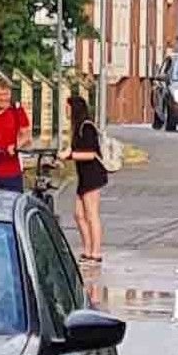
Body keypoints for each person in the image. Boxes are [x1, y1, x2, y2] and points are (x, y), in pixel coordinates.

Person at [66, 92, 108, 263]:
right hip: (83, 176)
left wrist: (70, 155)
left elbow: (90, 154)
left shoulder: (87, 127)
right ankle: (87, 248)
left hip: (93, 175)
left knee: (91, 214)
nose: (66, 111)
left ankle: (96, 251)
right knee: (78, 214)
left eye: (68, 107)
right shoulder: (77, 128)